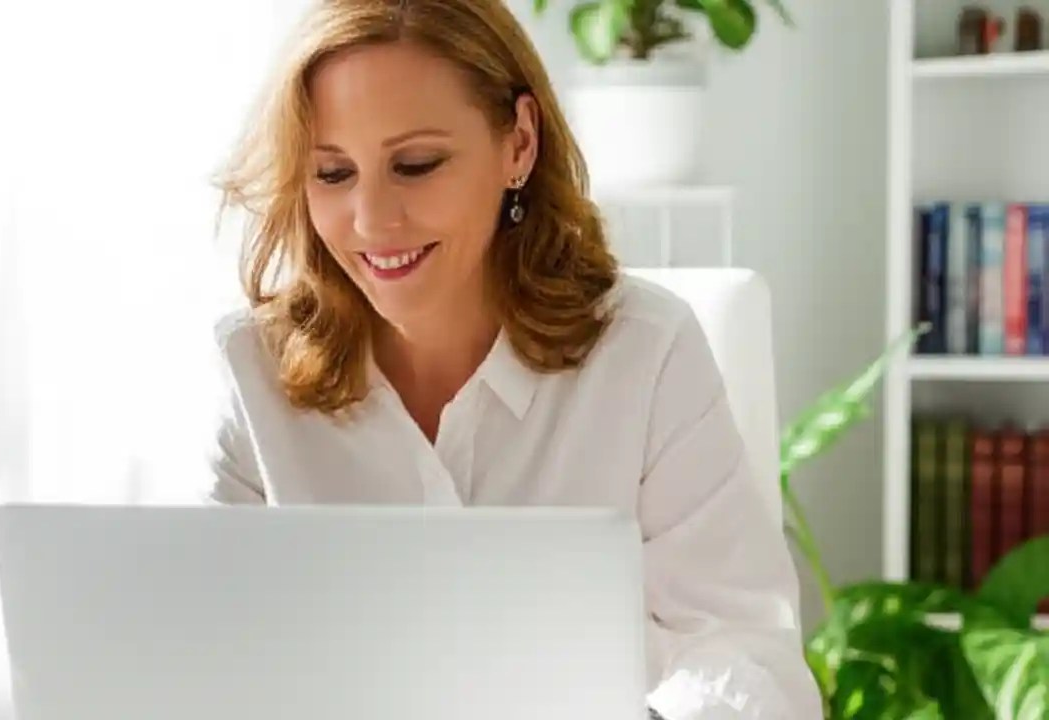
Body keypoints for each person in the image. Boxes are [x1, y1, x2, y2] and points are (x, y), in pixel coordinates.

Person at [205, 1, 823, 717]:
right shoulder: (253, 368)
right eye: (333, 173)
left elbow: (749, 663)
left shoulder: (645, 352)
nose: (372, 220)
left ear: (519, 144)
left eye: (415, 165)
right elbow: (198, 648)